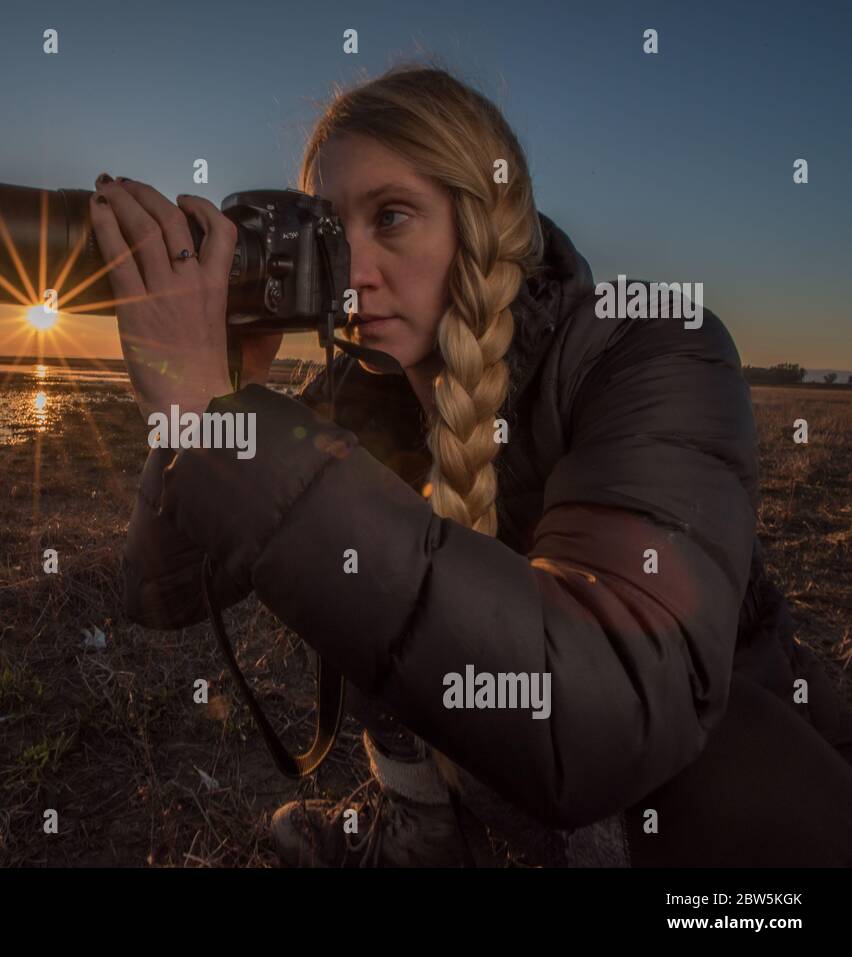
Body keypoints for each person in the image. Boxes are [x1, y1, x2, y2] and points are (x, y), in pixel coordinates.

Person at [89, 64, 852, 867]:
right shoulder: (360, 393)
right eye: (331, 231)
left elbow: (611, 707)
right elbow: (161, 592)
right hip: (550, 795)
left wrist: (236, 437)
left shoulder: (653, 348)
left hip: (743, 822)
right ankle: (426, 832)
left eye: (391, 217)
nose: (355, 273)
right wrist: (217, 402)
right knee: (357, 551)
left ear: (485, 220)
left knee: (372, 540)